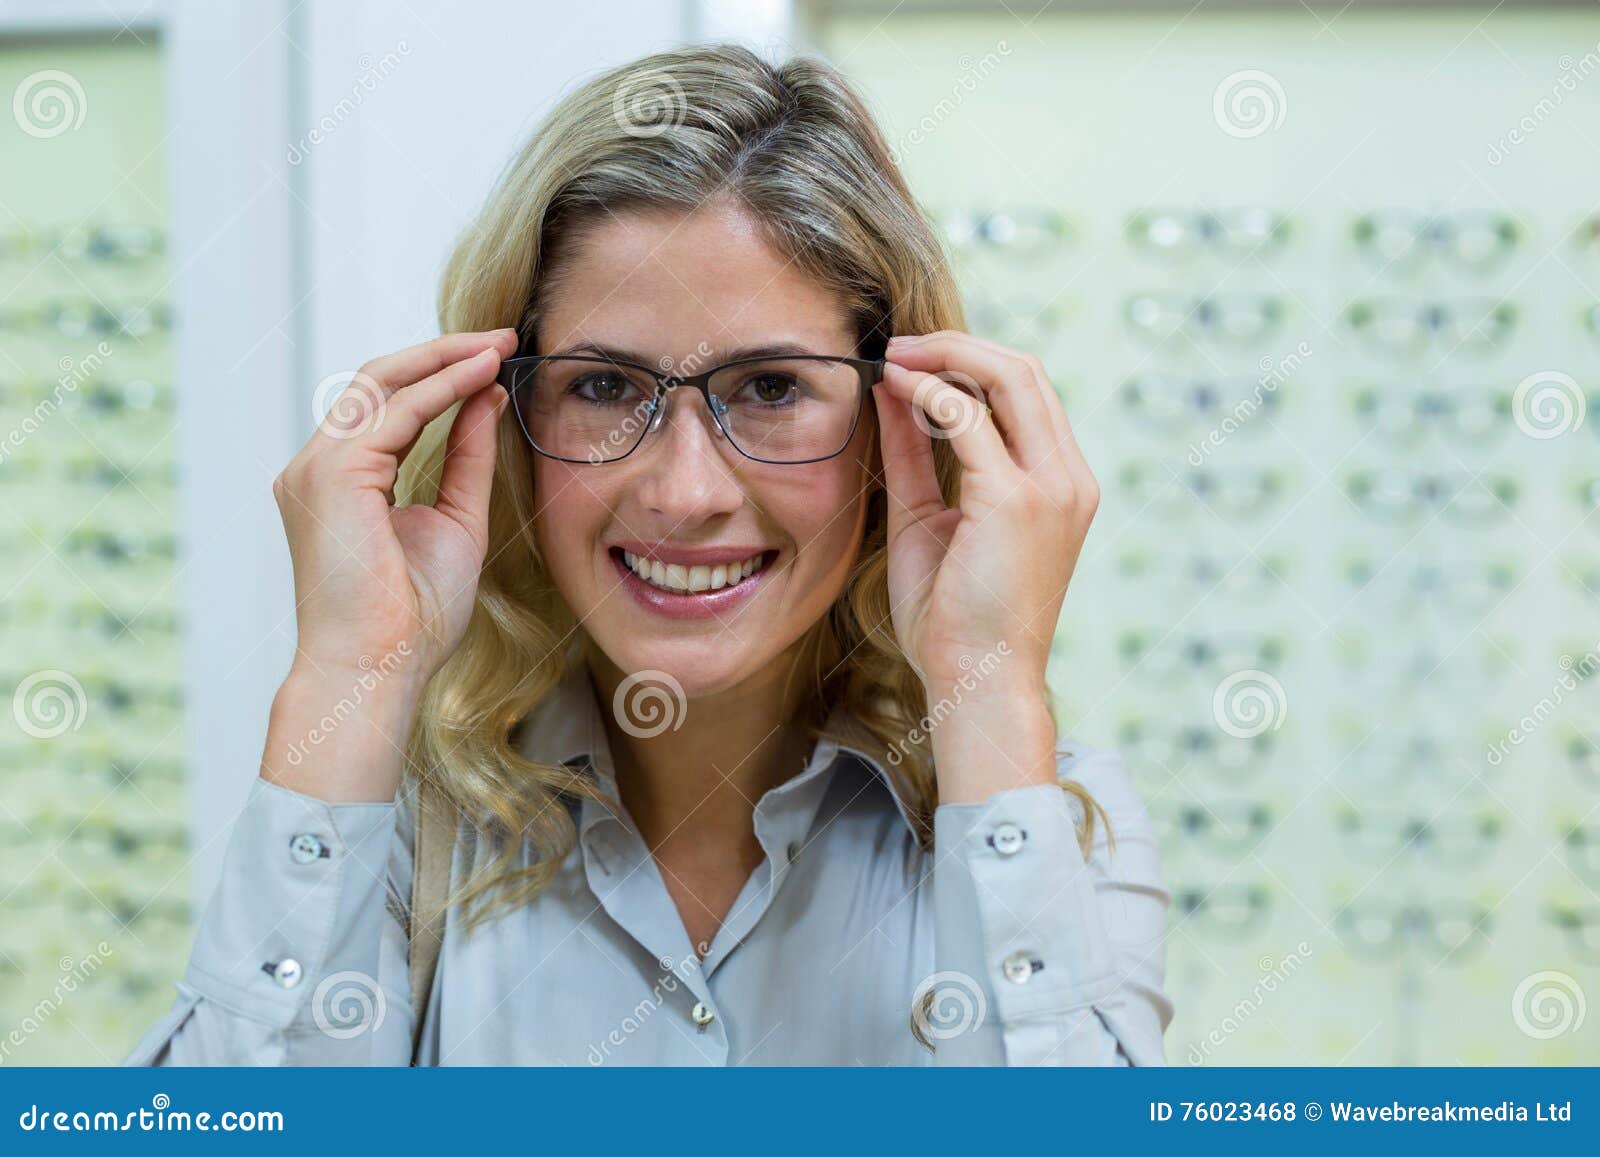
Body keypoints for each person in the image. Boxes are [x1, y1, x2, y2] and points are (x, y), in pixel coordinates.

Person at [126, 42, 1171, 1066]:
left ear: (898, 434)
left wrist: (985, 693)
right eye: (605, 386)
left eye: (770, 388)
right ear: (503, 417)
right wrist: (346, 678)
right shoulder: (386, 825)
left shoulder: (1051, 827)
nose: (686, 493)